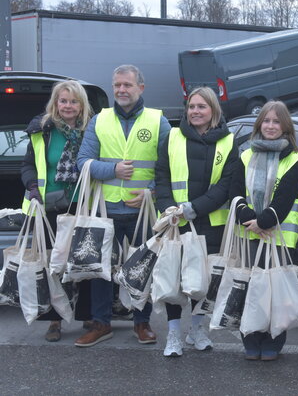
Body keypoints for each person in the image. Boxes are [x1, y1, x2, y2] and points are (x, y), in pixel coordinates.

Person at [76, 64, 171, 347]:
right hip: (106, 209)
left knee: (141, 267)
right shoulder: (99, 120)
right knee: (101, 269)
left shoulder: (158, 121)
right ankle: (101, 323)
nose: (121, 90)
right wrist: (112, 171)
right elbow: (84, 162)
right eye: (117, 85)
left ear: (141, 88)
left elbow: (170, 167)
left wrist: (151, 193)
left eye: (127, 85)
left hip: (143, 212)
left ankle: (141, 323)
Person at [154, 87, 237, 357]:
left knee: (205, 280)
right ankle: (175, 334)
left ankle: (197, 329)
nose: (195, 111)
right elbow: (162, 176)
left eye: (202, 106)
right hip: (175, 222)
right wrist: (169, 208)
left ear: (213, 110)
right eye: (191, 106)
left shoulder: (228, 141)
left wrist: (195, 208)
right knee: (174, 280)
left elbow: (226, 185)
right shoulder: (172, 136)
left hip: (210, 222)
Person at [231, 100, 298, 361]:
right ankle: (250, 339)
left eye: (276, 121)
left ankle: (273, 340)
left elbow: (284, 199)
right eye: (266, 120)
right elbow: (236, 192)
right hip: (247, 234)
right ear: (259, 124)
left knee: (274, 295)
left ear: (285, 126)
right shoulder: (245, 155)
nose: (271, 126)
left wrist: (263, 222)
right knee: (249, 291)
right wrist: (248, 218)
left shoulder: (295, 159)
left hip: (279, 237)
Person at [20, 80, 94, 342]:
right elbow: (28, 165)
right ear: (55, 103)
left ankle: (87, 315)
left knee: (83, 262)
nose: (68, 106)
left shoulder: (92, 130)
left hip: (81, 204)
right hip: (47, 206)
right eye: (63, 101)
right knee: (52, 264)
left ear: (81, 105)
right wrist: (32, 187)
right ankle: (54, 320)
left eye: (73, 101)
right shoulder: (43, 130)